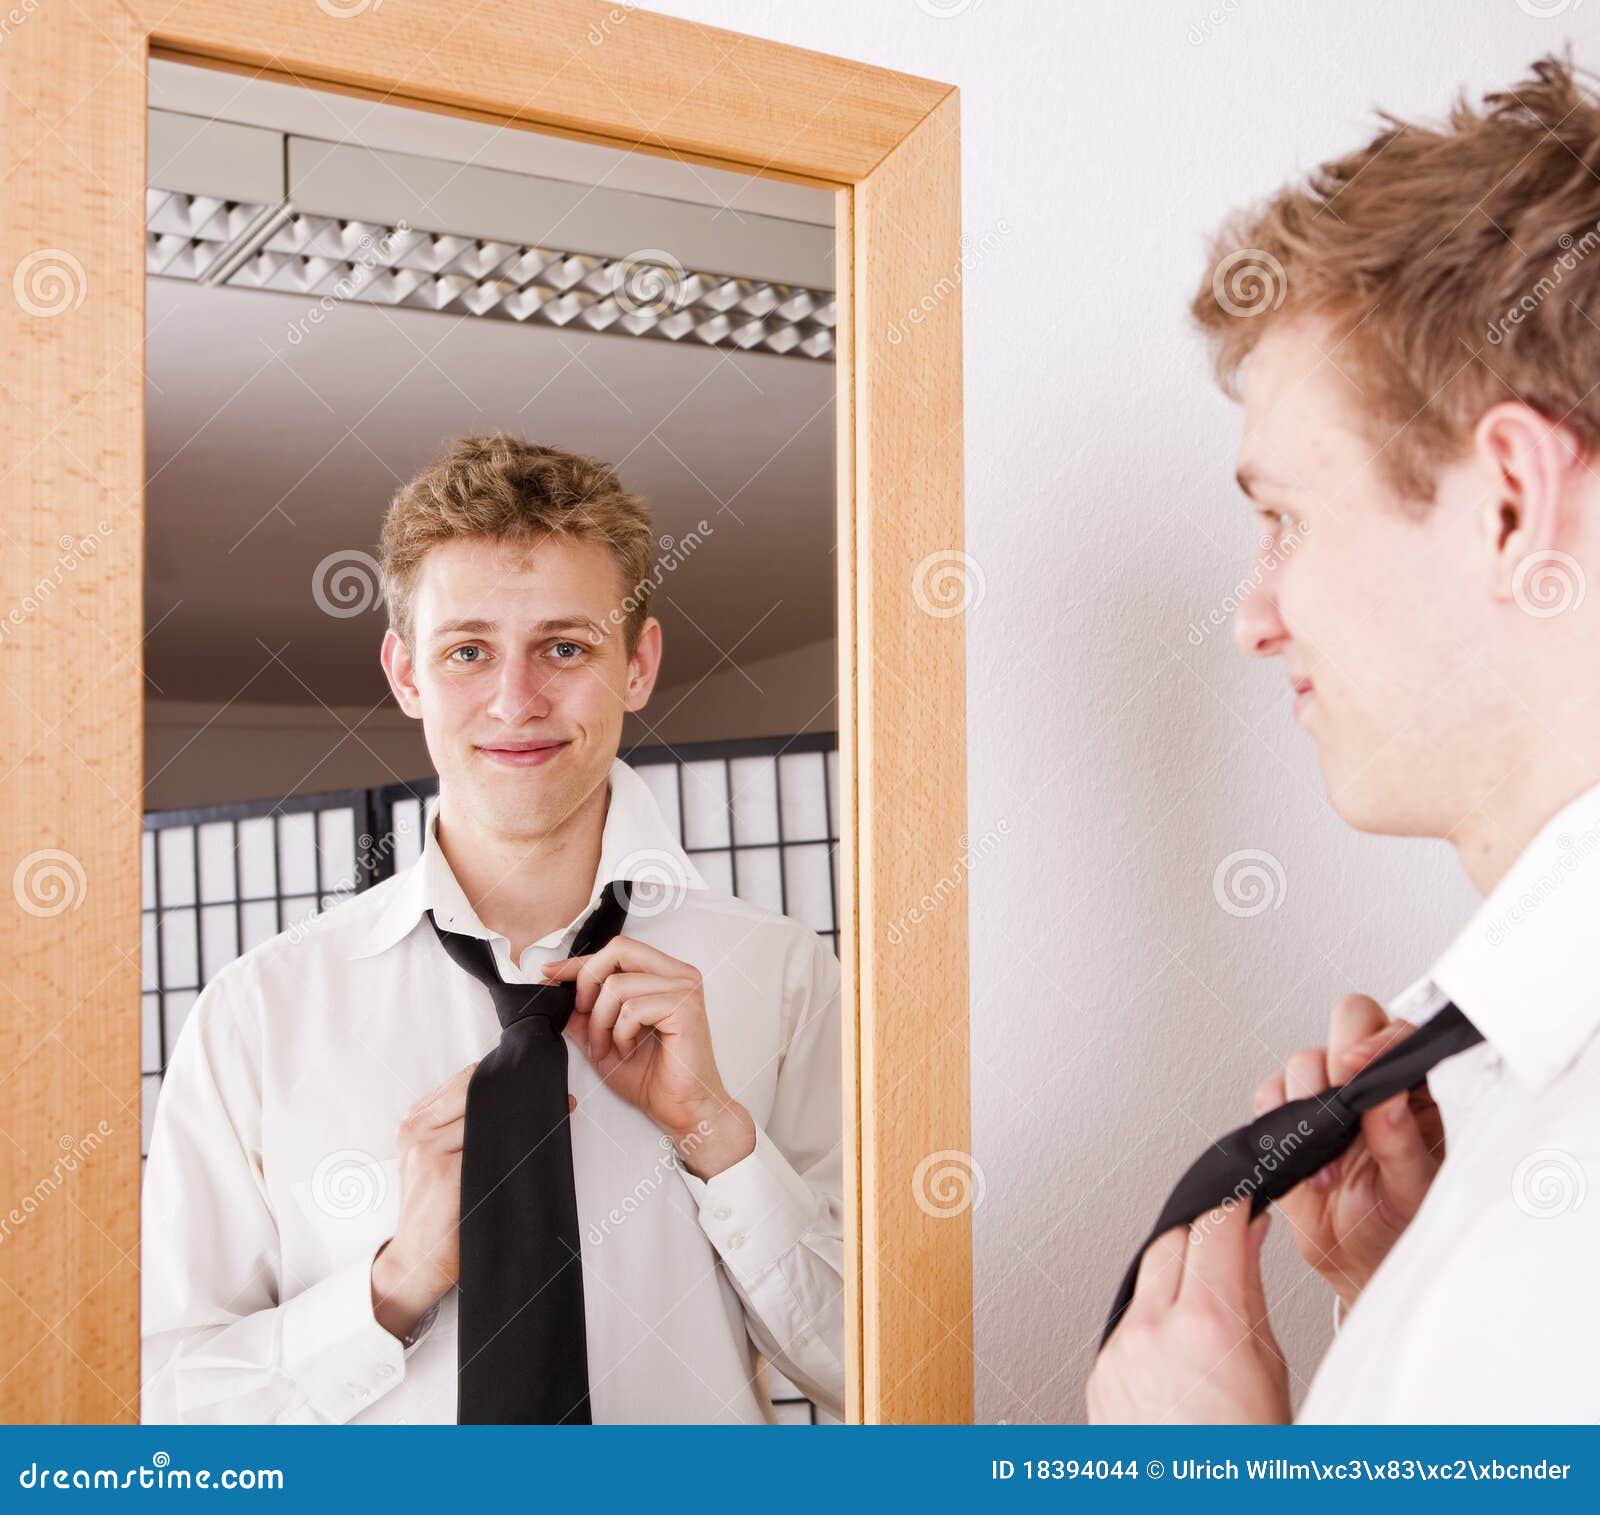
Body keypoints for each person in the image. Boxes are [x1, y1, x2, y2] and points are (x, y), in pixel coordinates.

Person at [1089, 54, 1600, 1423]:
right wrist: (1410, 1294)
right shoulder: (1513, 1169)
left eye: (1285, 518)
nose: (1255, 616)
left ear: (1507, 502)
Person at [141, 433, 845, 1423]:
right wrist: (391, 1285)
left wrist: (717, 1138)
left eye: (566, 646)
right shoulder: (259, 1010)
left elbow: (868, 1363)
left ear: (637, 664)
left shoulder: (779, 976)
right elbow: (163, 1409)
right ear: (406, 674)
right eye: (467, 650)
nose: (517, 701)